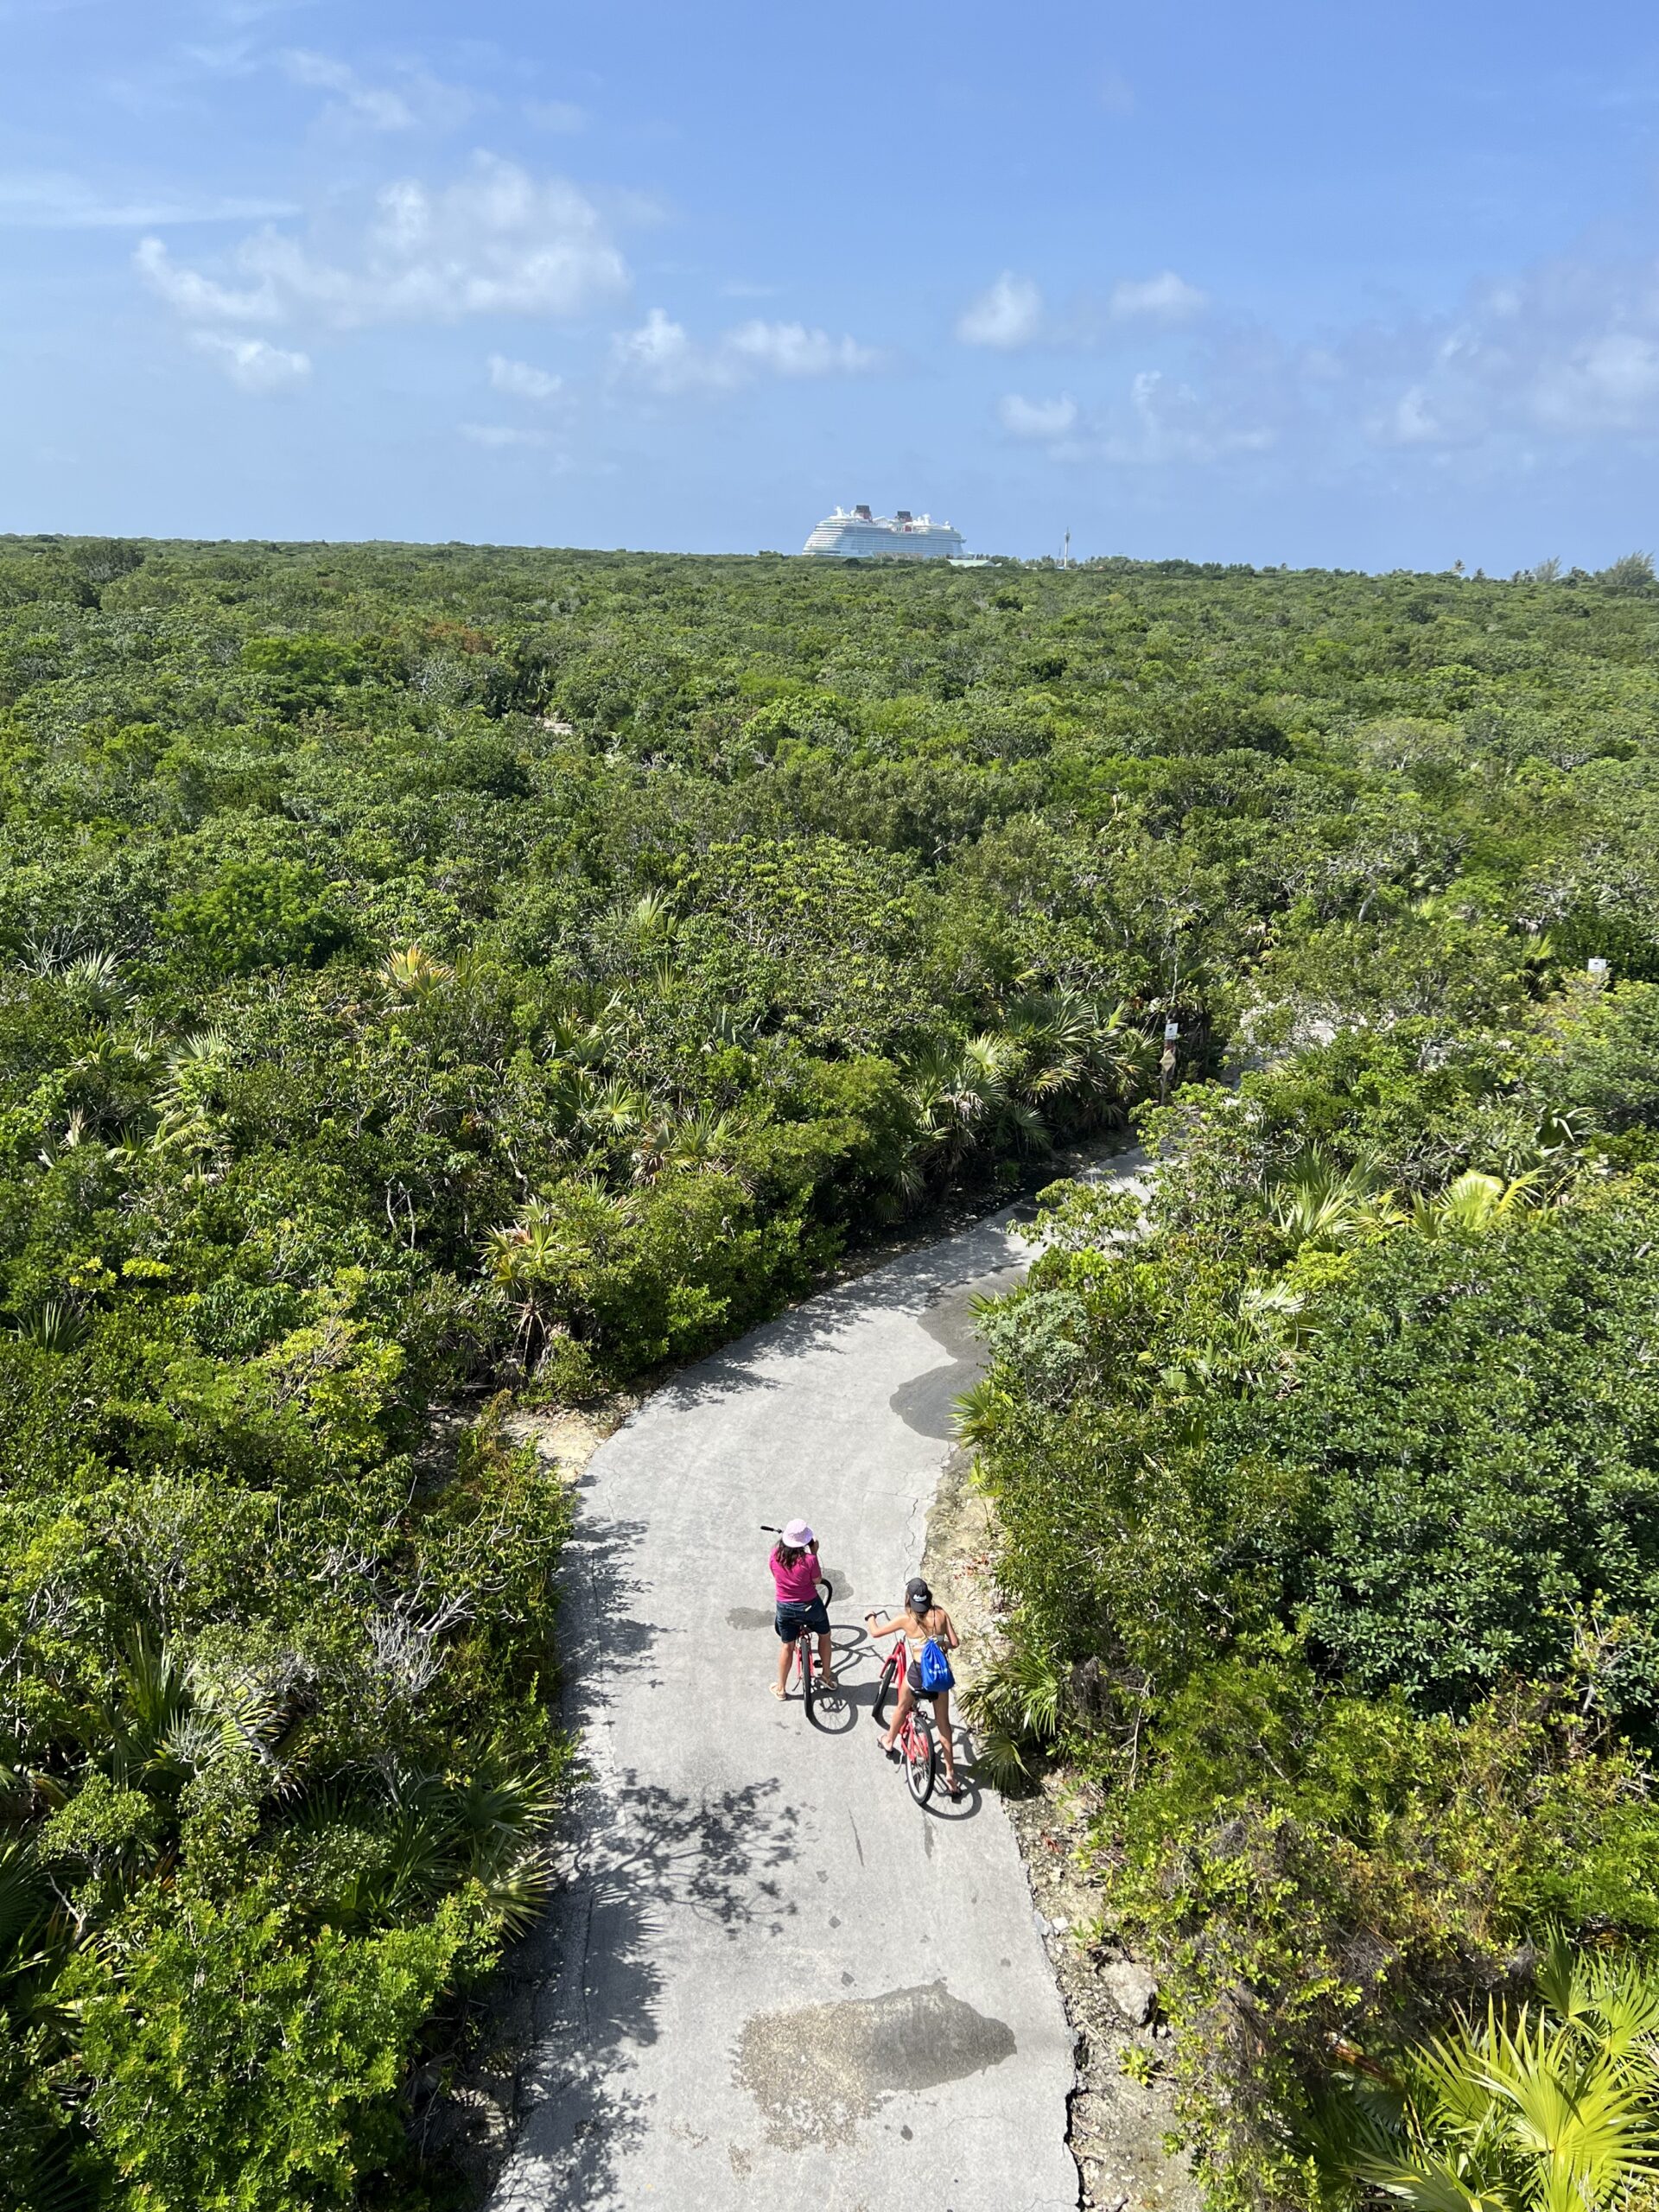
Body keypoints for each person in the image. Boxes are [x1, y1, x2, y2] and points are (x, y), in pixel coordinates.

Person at [864, 1577, 963, 1798]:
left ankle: (889, 1740)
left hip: (918, 1676)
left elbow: (876, 1632)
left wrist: (870, 1617)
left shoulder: (906, 1620)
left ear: (909, 1598)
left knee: (901, 1706)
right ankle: (950, 1774)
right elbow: (955, 1643)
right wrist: (941, 1645)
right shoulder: (941, 1614)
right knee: (943, 1723)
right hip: (939, 1676)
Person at [770, 1518, 836, 1699]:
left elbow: (775, 1574)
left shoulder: (775, 1555)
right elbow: (817, 1580)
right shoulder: (809, 1560)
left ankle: (781, 1689)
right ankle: (826, 1676)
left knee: (787, 1645)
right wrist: (814, 1553)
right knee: (825, 1635)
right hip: (810, 1607)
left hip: (785, 1608)